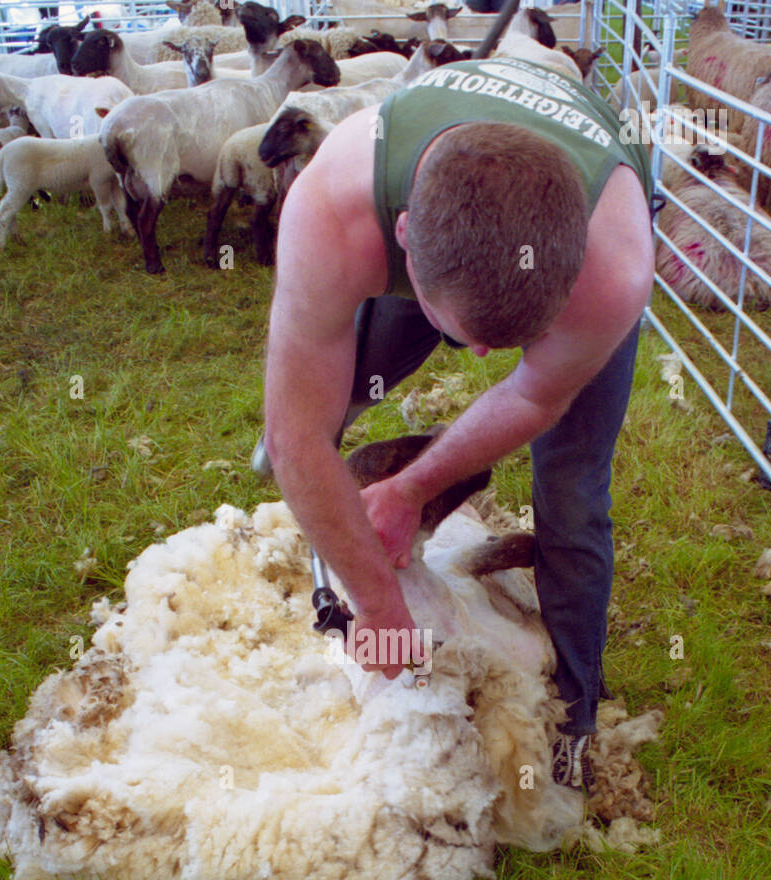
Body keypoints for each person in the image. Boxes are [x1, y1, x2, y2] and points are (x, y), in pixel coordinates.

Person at [260, 49, 655, 791]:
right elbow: (297, 434)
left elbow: (535, 397)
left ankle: (570, 707)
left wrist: (411, 492)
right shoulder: (331, 208)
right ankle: (315, 502)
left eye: (501, 346)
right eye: (464, 334)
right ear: (403, 237)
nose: (474, 357)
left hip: (561, 253)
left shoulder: (614, 268)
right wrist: (378, 607)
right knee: (309, 415)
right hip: (399, 238)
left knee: (573, 491)